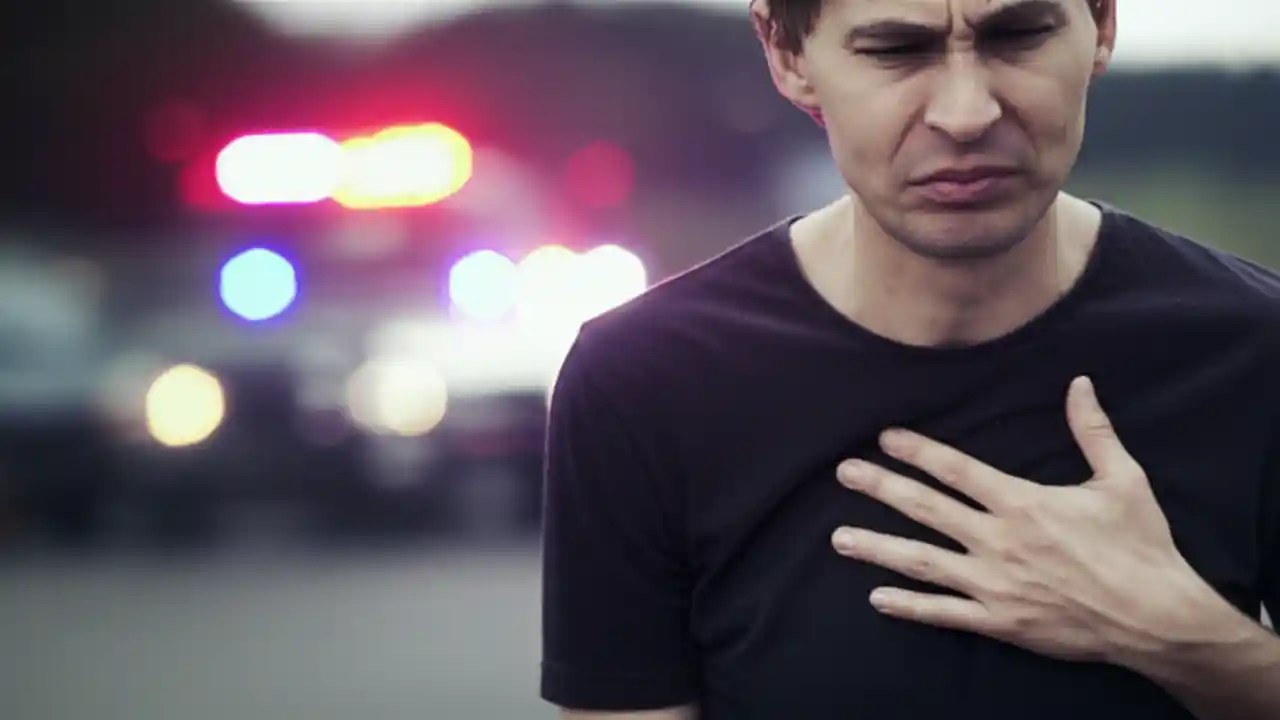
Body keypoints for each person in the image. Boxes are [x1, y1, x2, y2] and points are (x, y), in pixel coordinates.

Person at [540, 0, 1280, 717]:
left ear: (1102, 25)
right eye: (896, 49)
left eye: (1019, 34)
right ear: (786, 54)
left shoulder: (1255, 348)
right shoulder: (645, 381)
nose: (966, 114)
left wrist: (1184, 640)